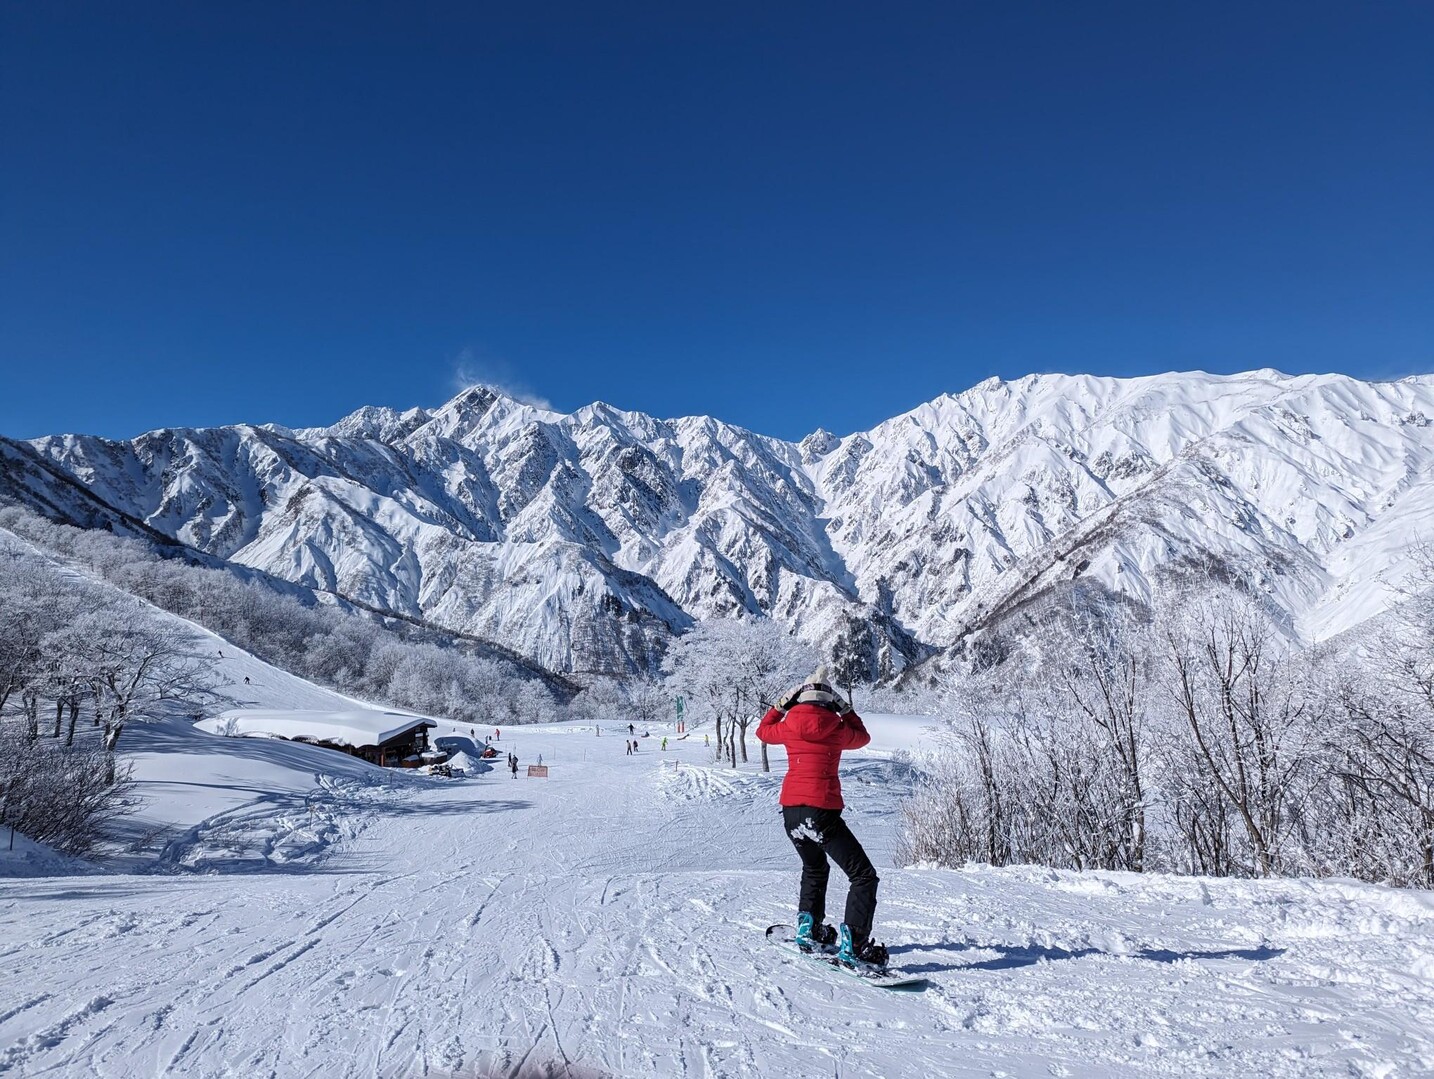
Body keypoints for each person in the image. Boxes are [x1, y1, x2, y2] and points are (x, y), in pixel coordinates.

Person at [756, 664, 887, 969]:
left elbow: (762, 731)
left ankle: (809, 927)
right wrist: (845, 709)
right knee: (863, 876)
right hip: (822, 812)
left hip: (791, 812)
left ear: (799, 701)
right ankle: (855, 945)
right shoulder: (837, 727)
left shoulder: (788, 725)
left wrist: (779, 706)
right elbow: (863, 736)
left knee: (814, 868)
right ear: (829, 701)